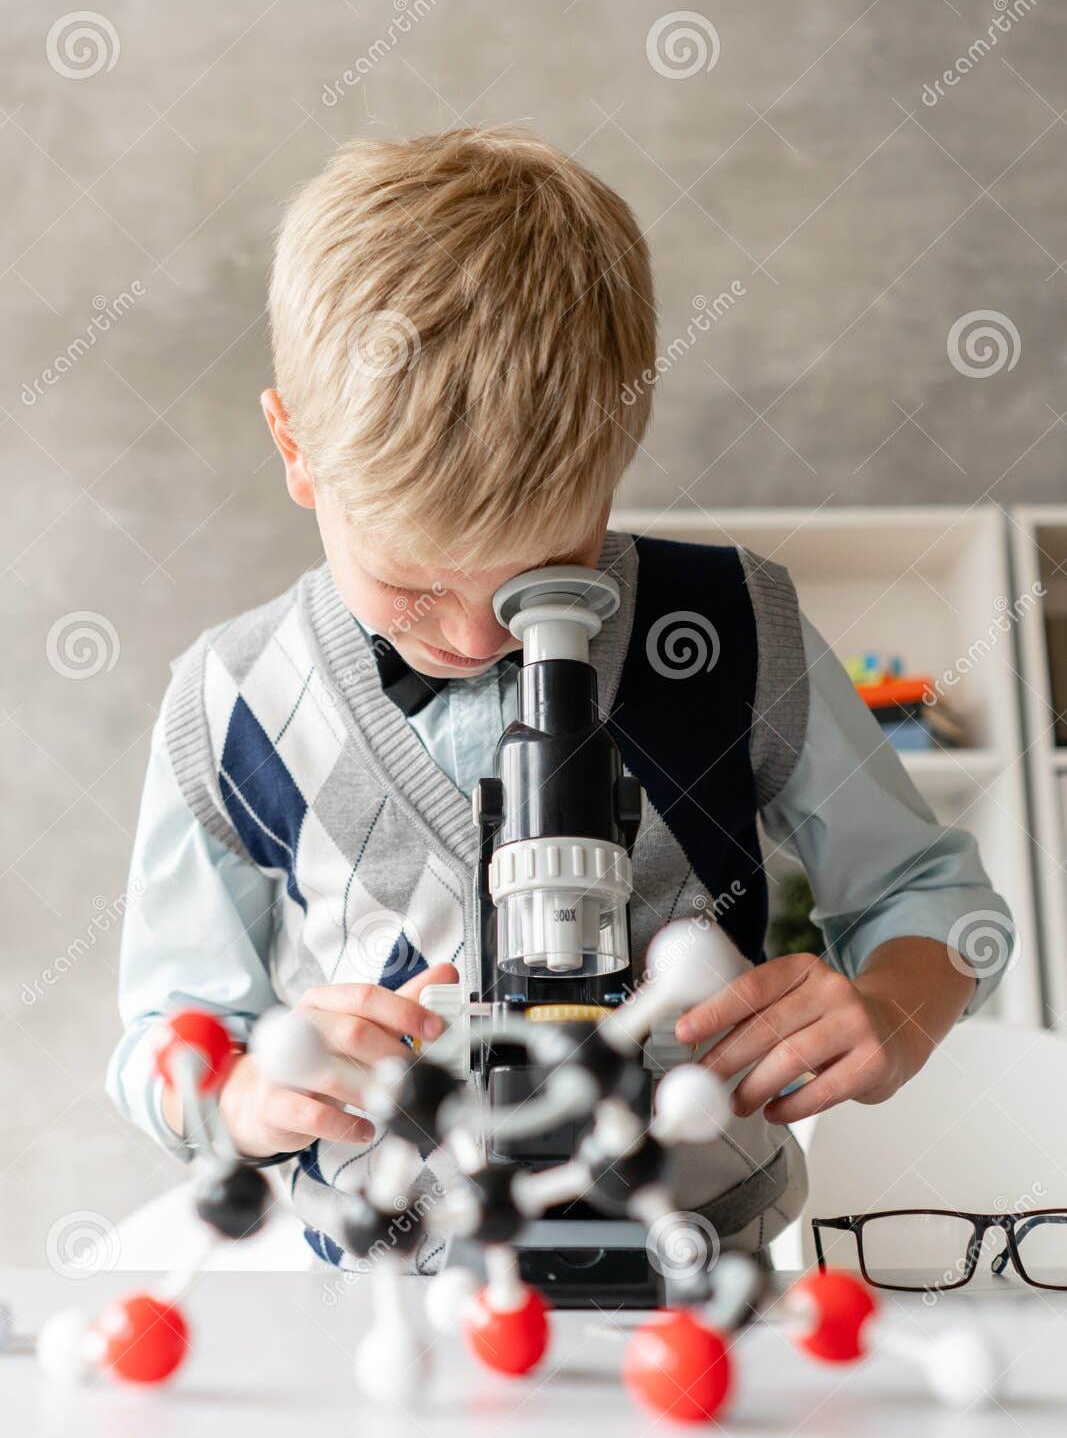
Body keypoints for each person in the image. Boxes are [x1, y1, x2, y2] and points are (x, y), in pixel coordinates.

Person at [107, 127, 1013, 1265]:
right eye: (412, 585)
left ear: (617, 449)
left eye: (549, 569)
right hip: (389, 1282)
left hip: (700, 1263)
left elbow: (938, 899)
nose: (482, 634)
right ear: (295, 447)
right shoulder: (230, 702)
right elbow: (161, 1041)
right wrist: (241, 1091)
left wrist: (891, 1006)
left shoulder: (732, 629)